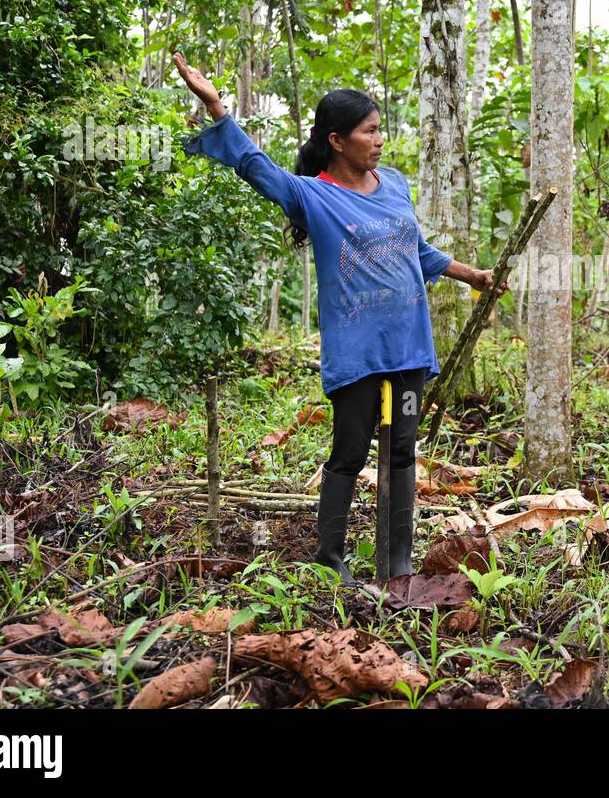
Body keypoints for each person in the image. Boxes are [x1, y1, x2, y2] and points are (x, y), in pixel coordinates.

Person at [173, 52, 504, 584]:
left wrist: (474, 275)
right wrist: (216, 106)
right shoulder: (312, 196)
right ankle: (331, 559)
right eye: (369, 131)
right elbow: (256, 166)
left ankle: (396, 562)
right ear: (337, 140)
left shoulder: (394, 184)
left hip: (409, 346)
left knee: (402, 450)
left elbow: (415, 251)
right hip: (358, 352)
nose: (379, 140)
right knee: (350, 450)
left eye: (380, 131)